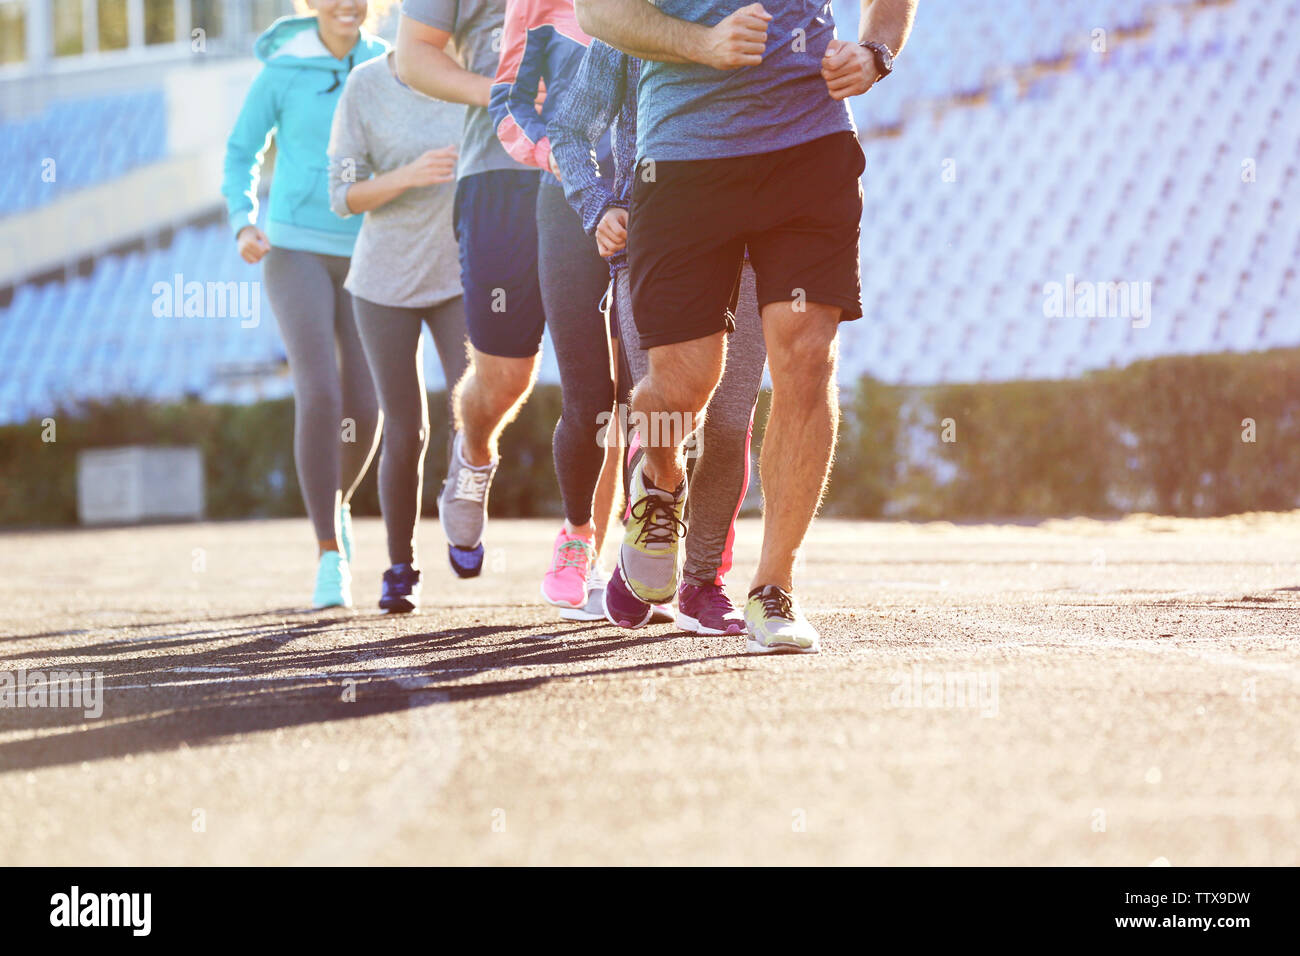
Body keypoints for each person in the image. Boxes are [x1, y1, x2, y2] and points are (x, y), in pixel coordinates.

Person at [574, 0, 917, 652]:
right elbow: (598, 13)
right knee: (679, 386)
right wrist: (703, 45)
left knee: (807, 354)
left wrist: (876, 50)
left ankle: (774, 585)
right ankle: (660, 482)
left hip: (811, 144)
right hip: (683, 159)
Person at [548, 38, 767, 635]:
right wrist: (598, 207)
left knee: (726, 420)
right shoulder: (625, 27)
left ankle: (702, 583)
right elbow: (567, 129)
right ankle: (643, 546)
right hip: (652, 245)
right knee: (661, 411)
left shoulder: (765, 19)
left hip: (749, 244)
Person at [222, 2, 391, 609]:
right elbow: (241, 151)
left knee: (368, 409)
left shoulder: (388, 65)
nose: (348, 4)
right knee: (319, 391)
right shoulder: (282, 71)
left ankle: (336, 504)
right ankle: (328, 552)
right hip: (293, 251)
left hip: (370, 252)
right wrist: (244, 223)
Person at [395, 0, 546, 580]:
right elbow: (414, 55)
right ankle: (474, 453)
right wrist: (500, 93)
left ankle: (590, 546)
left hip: (610, 165)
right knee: (505, 376)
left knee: (610, 376)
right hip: (500, 173)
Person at [486, 0, 623, 616]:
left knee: (654, 388)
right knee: (589, 392)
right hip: (567, 201)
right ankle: (577, 540)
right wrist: (560, 159)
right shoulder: (536, 5)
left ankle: (646, 551)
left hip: (665, 195)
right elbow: (508, 102)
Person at [328, 50, 471, 613]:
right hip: (382, 283)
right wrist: (410, 175)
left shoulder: (476, 76)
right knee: (406, 428)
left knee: (476, 410)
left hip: (458, 276)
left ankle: (464, 521)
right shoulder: (365, 86)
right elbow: (342, 195)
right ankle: (399, 567)